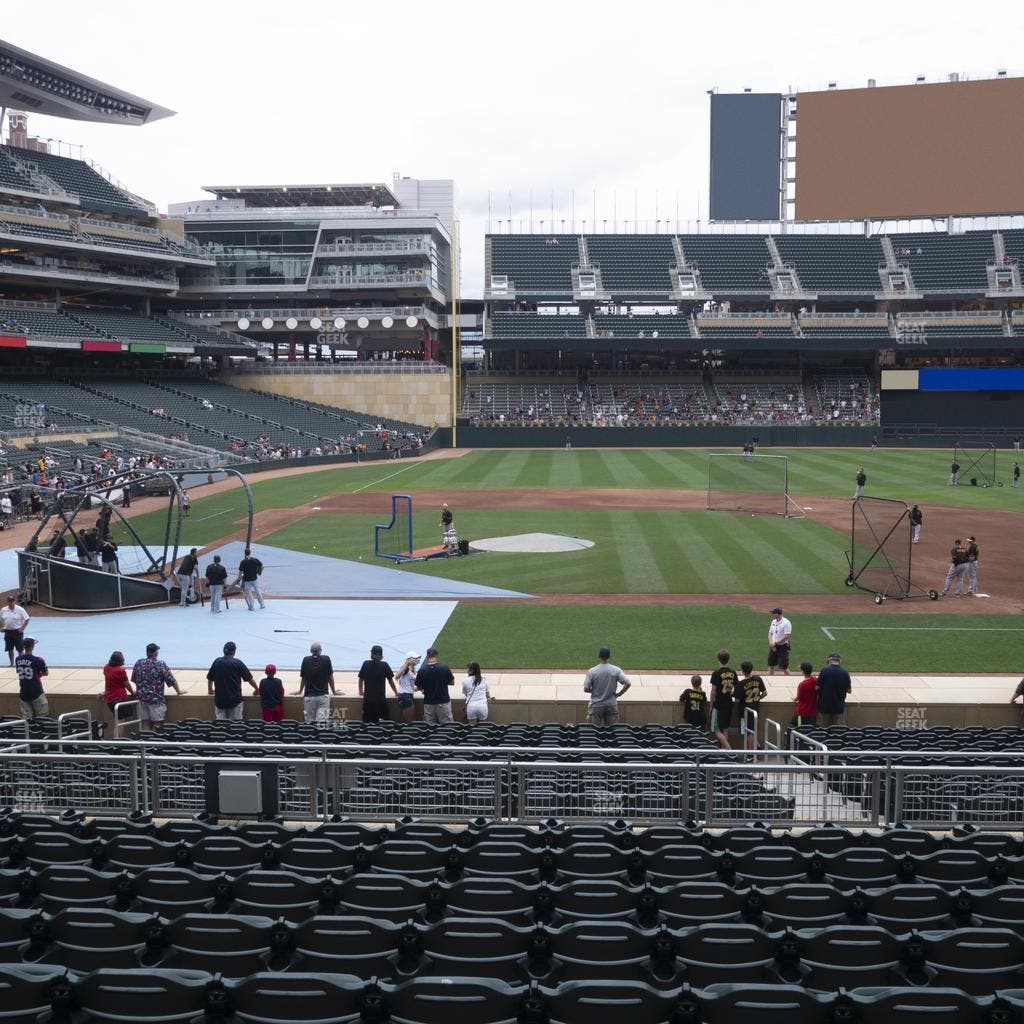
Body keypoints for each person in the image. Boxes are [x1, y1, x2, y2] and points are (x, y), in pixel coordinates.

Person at [131, 642, 181, 731]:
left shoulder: (139, 663)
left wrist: (141, 688)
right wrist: (178, 691)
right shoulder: (160, 664)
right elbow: (171, 679)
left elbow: (134, 679)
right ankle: (155, 743)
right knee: (158, 724)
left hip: (142, 698)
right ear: (155, 653)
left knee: (145, 722)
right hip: (156, 700)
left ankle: (146, 743)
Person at [206, 641, 257, 721]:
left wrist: (210, 690)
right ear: (234, 651)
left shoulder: (217, 662)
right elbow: (249, 679)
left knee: (221, 727)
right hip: (235, 701)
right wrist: (257, 689)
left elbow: (210, 678)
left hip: (220, 701)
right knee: (235, 728)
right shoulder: (238, 663)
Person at [582, 645, 631, 726]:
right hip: (611, 704)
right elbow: (628, 683)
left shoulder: (592, 671)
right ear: (609, 657)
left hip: (596, 705)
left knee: (594, 732)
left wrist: (595, 690)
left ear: (599, 657)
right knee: (612, 732)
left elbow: (586, 689)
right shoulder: (616, 670)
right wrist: (619, 694)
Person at [295, 641, 338, 725]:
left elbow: (303, 678)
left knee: (309, 724)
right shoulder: (326, 659)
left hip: (309, 697)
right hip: (323, 697)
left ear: (311, 651)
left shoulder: (306, 660)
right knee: (322, 724)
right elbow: (330, 678)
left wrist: (300, 691)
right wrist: (334, 691)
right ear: (320, 650)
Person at [415, 647, 456, 725]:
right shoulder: (444, 667)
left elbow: (419, 687)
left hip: (429, 703)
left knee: (430, 728)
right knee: (447, 727)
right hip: (443, 702)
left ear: (427, 656)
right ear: (436, 655)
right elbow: (452, 682)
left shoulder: (422, 670)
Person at [709, 649, 739, 749]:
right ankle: (724, 751)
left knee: (716, 729)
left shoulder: (716, 673)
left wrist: (711, 706)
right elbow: (737, 688)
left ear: (718, 659)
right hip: (728, 703)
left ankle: (729, 750)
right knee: (725, 728)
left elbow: (713, 692)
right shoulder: (733, 673)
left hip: (718, 704)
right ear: (728, 660)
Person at [358, 644, 395, 723]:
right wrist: (396, 692)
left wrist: (361, 691)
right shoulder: (384, 665)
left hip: (368, 701)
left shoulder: (365, 664)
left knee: (367, 724)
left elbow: (361, 679)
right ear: (380, 655)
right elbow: (391, 681)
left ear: (372, 655)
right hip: (380, 701)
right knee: (384, 724)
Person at [102, 651, 135, 737]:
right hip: (119, 699)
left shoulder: (106, 668)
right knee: (120, 723)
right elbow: (127, 684)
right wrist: (132, 693)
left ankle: (115, 740)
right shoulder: (120, 671)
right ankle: (118, 741)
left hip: (110, 699)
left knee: (117, 721)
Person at [14, 636, 48, 719]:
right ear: (32, 646)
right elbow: (45, 673)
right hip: (36, 692)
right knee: (42, 717)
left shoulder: (18, 659)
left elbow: (19, 671)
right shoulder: (38, 660)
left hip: (23, 693)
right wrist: (39, 674)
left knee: (26, 718)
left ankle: (28, 732)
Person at [736, 660, 767, 750]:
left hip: (745, 711)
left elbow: (737, 700)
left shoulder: (740, 684)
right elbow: (764, 693)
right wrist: (757, 699)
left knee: (749, 732)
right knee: (752, 731)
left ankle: (751, 754)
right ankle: (755, 750)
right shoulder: (758, 679)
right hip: (755, 708)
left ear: (742, 670)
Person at [816, 652, 852, 727]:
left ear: (829, 660)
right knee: (837, 732)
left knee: (822, 732)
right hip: (838, 707)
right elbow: (849, 690)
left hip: (824, 706)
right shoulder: (845, 673)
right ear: (839, 661)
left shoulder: (824, 670)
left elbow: (817, 687)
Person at [1, 594, 30, 667]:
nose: (11, 603)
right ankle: (11, 663)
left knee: (20, 649)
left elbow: (27, 619)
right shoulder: (3, 610)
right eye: (9, 601)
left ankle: (21, 664)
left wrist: (22, 628)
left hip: (17, 632)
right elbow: (0, 620)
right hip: (7, 632)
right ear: (7, 602)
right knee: (9, 649)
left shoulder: (20, 609)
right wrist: (1, 627)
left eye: (12, 601)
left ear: (14, 601)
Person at [792, 661, 819, 731]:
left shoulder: (802, 684)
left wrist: (794, 699)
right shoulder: (815, 679)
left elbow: (798, 698)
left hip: (803, 711)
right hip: (812, 710)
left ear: (803, 671)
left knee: (794, 727)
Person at [395, 651, 420, 722]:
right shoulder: (405, 668)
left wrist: (421, 689)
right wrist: (407, 664)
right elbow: (396, 676)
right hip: (405, 697)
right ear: (409, 659)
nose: (417, 660)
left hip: (407, 696)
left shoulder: (412, 670)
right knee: (411, 721)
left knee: (409, 721)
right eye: (414, 658)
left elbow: (411, 687)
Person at [767, 607, 792, 676]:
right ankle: (771, 678)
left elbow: (787, 636)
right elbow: (770, 633)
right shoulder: (773, 621)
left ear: (778, 614)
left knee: (784, 667)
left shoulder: (786, 623)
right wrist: (770, 642)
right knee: (771, 665)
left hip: (783, 647)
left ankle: (789, 681)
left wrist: (776, 643)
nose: (772, 614)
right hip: (773, 646)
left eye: (773, 613)